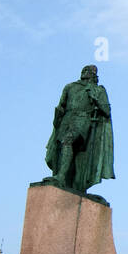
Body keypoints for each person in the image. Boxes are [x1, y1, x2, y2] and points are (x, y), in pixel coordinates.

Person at [43, 65, 114, 193]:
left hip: (83, 119)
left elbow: (107, 111)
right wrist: (57, 119)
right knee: (63, 150)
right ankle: (72, 182)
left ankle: (61, 177)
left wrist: (95, 99)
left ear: (94, 75)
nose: (85, 72)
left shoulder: (98, 90)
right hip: (67, 119)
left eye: (89, 71)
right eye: (84, 70)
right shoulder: (70, 87)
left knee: (68, 140)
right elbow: (61, 106)